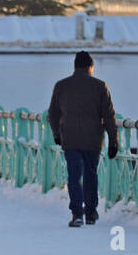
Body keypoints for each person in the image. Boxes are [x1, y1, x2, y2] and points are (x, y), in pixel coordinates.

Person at [47, 50, 119, 227]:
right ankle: (91, 212)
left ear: (74, 66)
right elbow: (109, 116)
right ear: (90, 67)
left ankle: (77, 213)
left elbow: (52, 114)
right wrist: (113, 141)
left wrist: (57, 134)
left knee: (74, 175)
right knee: (90, 174)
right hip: (93, 139)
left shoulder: (61, 86)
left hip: (69, 139)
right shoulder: (100, 86)